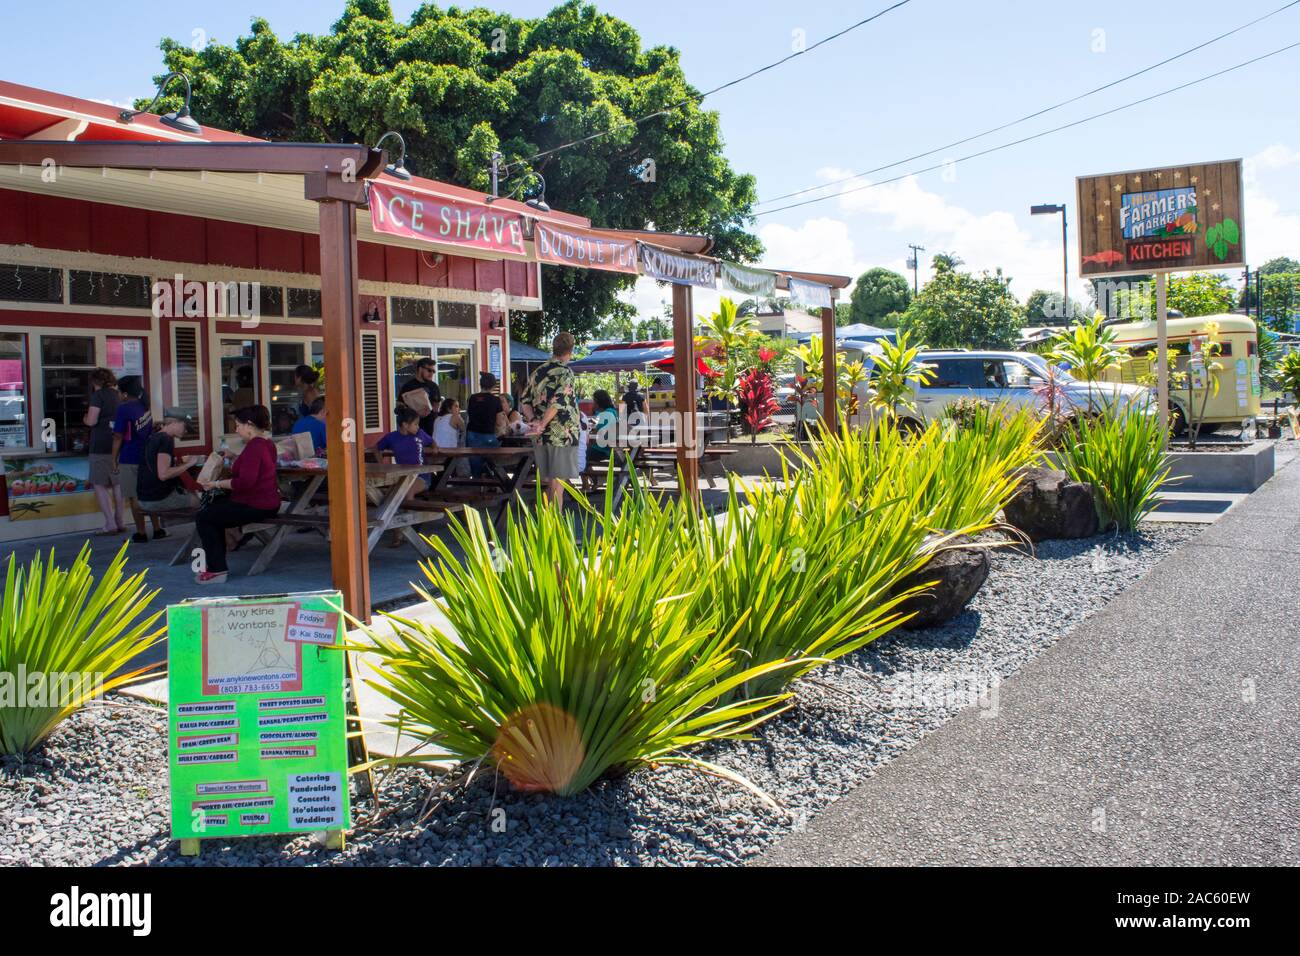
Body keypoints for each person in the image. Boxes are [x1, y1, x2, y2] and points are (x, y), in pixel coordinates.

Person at [194, 405, 282, 585]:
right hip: (268, 501)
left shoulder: (254, 447)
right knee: (212, 512)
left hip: (256, 504)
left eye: (238, 425)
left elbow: (245, 482)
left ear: (249, 425)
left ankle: (217, 569)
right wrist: (234, 457)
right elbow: (255, 470)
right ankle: (220, 561)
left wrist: (215, 484)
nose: (236, 430)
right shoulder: (267, 443)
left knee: (205, 517)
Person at [521, 331, 580, 506]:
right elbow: (558, 401)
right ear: (570, 350)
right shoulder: (565, 372)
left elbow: (525, 400)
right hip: (562, 433)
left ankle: (545, 525)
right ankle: (555, 528)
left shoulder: (538, 372)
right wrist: (543, 423)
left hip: (541, 436)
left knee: (549, 482)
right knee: (558, 483)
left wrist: (534, 422)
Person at [111, 375, 162, 543]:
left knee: (134, 497)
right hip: (147, 457)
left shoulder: (123, 409)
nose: (118, 395)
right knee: (148, 494)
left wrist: (113, 459)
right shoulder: (144, 406)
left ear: (125, 394)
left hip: (130, 457)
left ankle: (141, 532)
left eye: (119, 392)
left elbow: (118, 436)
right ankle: (157, 528)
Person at [377, 407, 435, 544]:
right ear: (404, 425)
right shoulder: (392, 437)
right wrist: (381, 464)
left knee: (407, 492)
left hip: (421, 475)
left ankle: (401, 531)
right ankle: (402, 527)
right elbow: (376, 448)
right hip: (401, 475)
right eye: (415, 424)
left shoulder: (420, 434)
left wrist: (435, 448)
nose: (417, 426)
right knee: (389, 495)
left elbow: (432, 441)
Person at [137, 408, 202, 515]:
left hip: (144, 498)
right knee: (200, 502)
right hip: (155, 500)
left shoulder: (154, 436)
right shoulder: (165, 439)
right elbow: (164, 474)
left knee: (190, 492)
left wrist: (175, 461)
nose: (186, 431)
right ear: (175, 422)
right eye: (186, 427)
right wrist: (189, 463)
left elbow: (154, 464)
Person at [84, 368, 125, 534]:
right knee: (117, 484)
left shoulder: (98, 396)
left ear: (95, 382)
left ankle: (110, 524)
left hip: (100, 445)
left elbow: (92, 421)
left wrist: (85, 419)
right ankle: (120, 521)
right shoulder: (119, 395)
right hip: (118, 443)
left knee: (99, 484)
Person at [465, 372, 503, 477]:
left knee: (475, 464)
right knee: (493, 462)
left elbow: (469, 414)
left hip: (472, 434)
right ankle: (491, 480)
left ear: (480, 384)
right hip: (488, 435)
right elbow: (499, 422)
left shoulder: (472, 398)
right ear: (493, 386)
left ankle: (477, 483)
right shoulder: (496, 400)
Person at [398, 357, 442, 435]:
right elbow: (399, 406)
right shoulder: (408, 386)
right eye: (429, 370)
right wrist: (414, 412)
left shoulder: (434, 386)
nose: (431, 373)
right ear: (420, 369)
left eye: (433, 371)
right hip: (412, 430)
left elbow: (437, 406)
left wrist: (432, 409)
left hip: (430, 429)